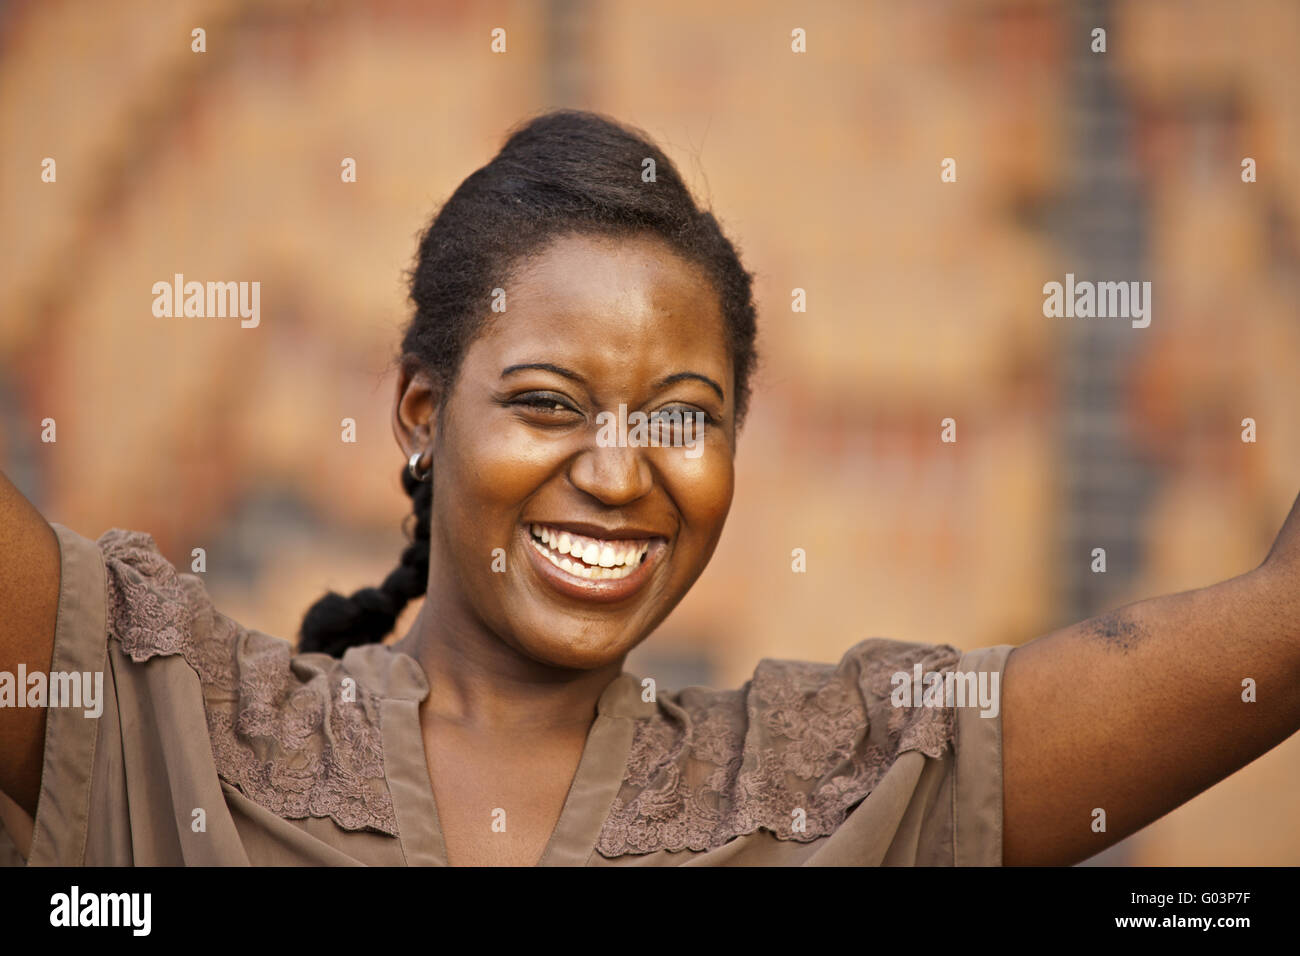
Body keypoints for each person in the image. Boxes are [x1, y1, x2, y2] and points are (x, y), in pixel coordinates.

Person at [1, 109, 1297, 867]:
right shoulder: (169, 730)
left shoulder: (821, 792)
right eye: (547, 404)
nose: (620, 476)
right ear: (420, 413)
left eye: (684, 416)